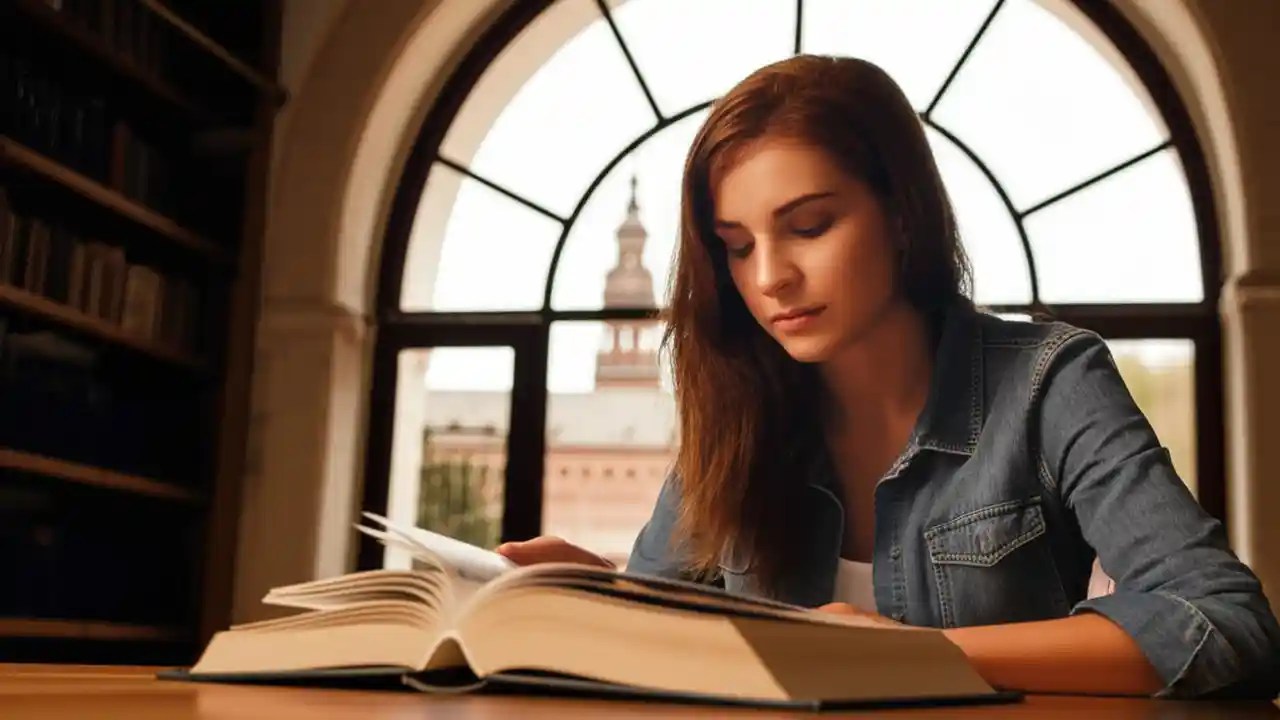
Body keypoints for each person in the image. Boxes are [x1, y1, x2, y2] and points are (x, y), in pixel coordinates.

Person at [496, 54, 1280, 699]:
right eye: (736, 245)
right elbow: (676, 644)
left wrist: (917, 653)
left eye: (809, 226)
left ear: (903, 215)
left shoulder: (1049, 381)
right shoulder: (736, 407)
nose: (770, 276)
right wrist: (601, 597)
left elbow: (1224, 621)